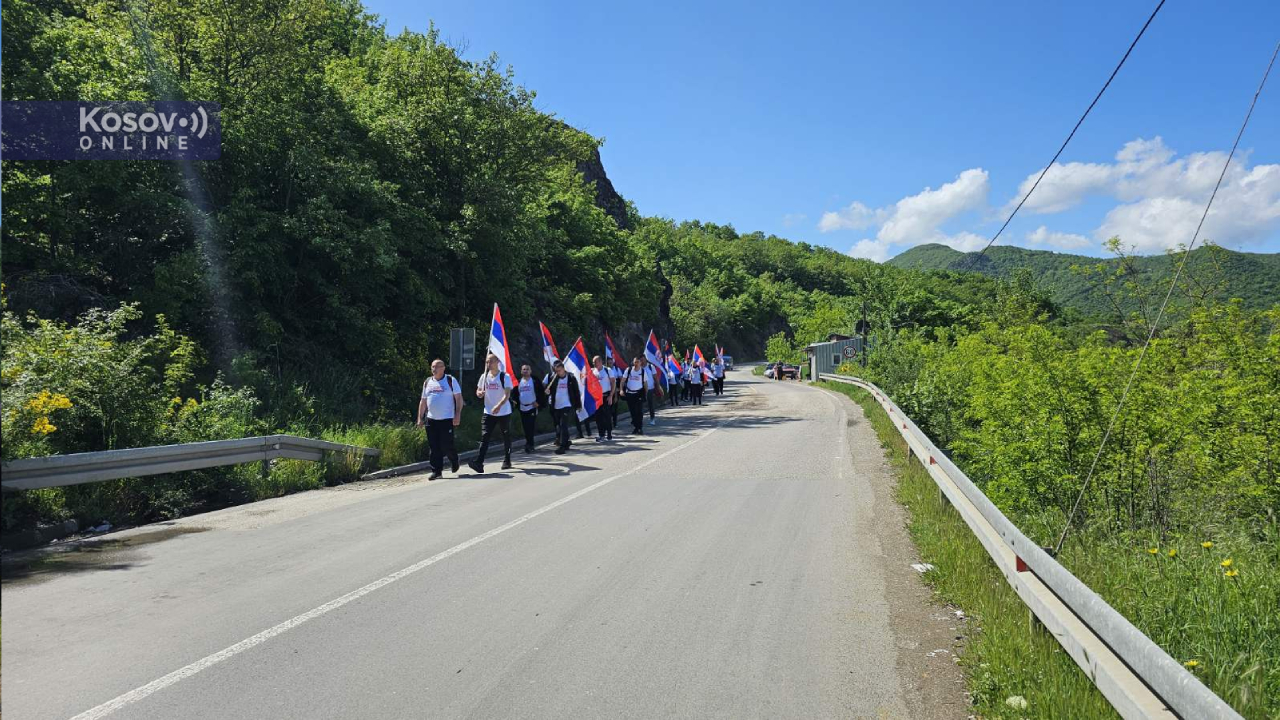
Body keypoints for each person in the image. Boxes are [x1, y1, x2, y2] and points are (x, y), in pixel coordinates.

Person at [416, 359, 463, 481]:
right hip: (431, 419)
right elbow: (423, 401)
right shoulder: (427, 382)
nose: (434, 369)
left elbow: (458, 399)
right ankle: (436, 471)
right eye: (432, 367)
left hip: (447, 418)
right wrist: (420, 418)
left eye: (437, 367)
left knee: (446, 445)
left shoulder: (450, 380)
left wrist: (457, 414)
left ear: (443, 368)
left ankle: (454, 460)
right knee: (434, 446)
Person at [468, 354, 514, 473]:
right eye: (487, 362)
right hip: (488, 411)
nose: (488, 364)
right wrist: (479, 393)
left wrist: (498, 405)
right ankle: (479, 462)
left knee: (506, 436)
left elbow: (507, 394)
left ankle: (507, 460)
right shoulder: (484, 376)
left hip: (503, 411)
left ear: (497, 362)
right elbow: (478, 390)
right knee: (485, 436)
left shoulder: (505, 376)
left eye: (491, 361)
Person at [545, 360, 581, 454]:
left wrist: (578, 405)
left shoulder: (571, 378)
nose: (558, 373)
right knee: (558, 426)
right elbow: (548, 390)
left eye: (560, 370)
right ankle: (567, 442)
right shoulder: (553, 378)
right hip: (556, 405)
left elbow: (576, 391)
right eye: (556, 371)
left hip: (567, 405)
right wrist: (547, 392)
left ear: (564, 369)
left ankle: (562, 446)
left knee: (563, 425)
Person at [514, 364, 546, 453]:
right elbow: (515, 394)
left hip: (532, 407)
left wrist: (538, 402)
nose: (525, 371)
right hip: (522, 407)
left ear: (530, 371)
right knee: (525, 427)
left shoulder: (534, 381)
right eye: (523, 369)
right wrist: (516, 402)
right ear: (521, 371)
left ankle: (529, 444)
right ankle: (528, 442)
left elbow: (541, 393)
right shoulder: (518, 382)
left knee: (530, 426)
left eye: (527, 369)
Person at [592, 355, 617, 441]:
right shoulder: (593, 372)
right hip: (597, 397)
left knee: (607, 416)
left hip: (606, 396)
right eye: (593, 362)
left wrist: (611, 395)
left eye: (595, 362)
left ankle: (609, 434)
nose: (594, 364)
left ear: (600, 362)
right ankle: (601, 434)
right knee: (598, 417)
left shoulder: (607, 370)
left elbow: (613, 383)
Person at [622, 357, 648, 435]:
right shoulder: (629, 370)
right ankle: (636, 427)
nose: (636, 364)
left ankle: (639, 428)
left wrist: (645, 393)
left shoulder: (643, 371)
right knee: (633, 411)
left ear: (640, 363)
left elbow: (645, 384)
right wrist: (621, 390)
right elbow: (622, 381)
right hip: (629, 393)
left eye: (637, 362)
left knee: (639, 411)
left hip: (639, 393)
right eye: (635, 362)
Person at [641, 356, 662, 425]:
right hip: (641, 389)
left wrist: (658, 387)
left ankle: (652, 418)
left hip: (650, 388)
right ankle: (639, 419)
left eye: (643, 359)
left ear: (646, 360)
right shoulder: (639, 368)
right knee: (640, 405)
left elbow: (656, 377)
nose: (642, 361)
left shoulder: (651, 367)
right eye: (641, 360)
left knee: (650, 404)